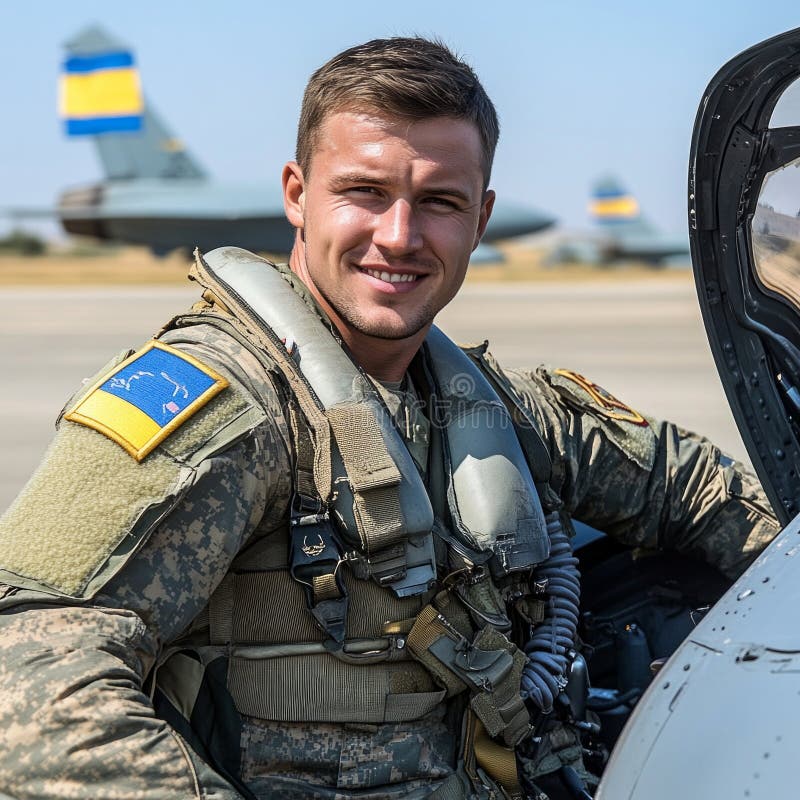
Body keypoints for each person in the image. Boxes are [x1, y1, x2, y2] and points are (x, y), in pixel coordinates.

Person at [0, 37, 779, 800]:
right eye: (365, 192)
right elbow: (25, 679)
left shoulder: (504, 408)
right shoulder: (228, 413)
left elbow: (713, 497)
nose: (399, 237)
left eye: (440, 202)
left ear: (480, 218)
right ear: (298, 195)